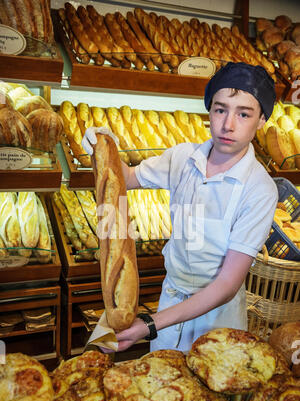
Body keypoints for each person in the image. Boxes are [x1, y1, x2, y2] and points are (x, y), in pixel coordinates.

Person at [82, 61, 278, 353]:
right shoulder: (183, 158)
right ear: (209, 111)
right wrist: (102, 145)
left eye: (244, 114)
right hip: (171, 301)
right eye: (220, 109)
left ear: (261, 120)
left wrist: (150, 324)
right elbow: (127, 178)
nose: (228, 124)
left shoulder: (259, 189)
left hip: (217, 321)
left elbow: (226, 286)